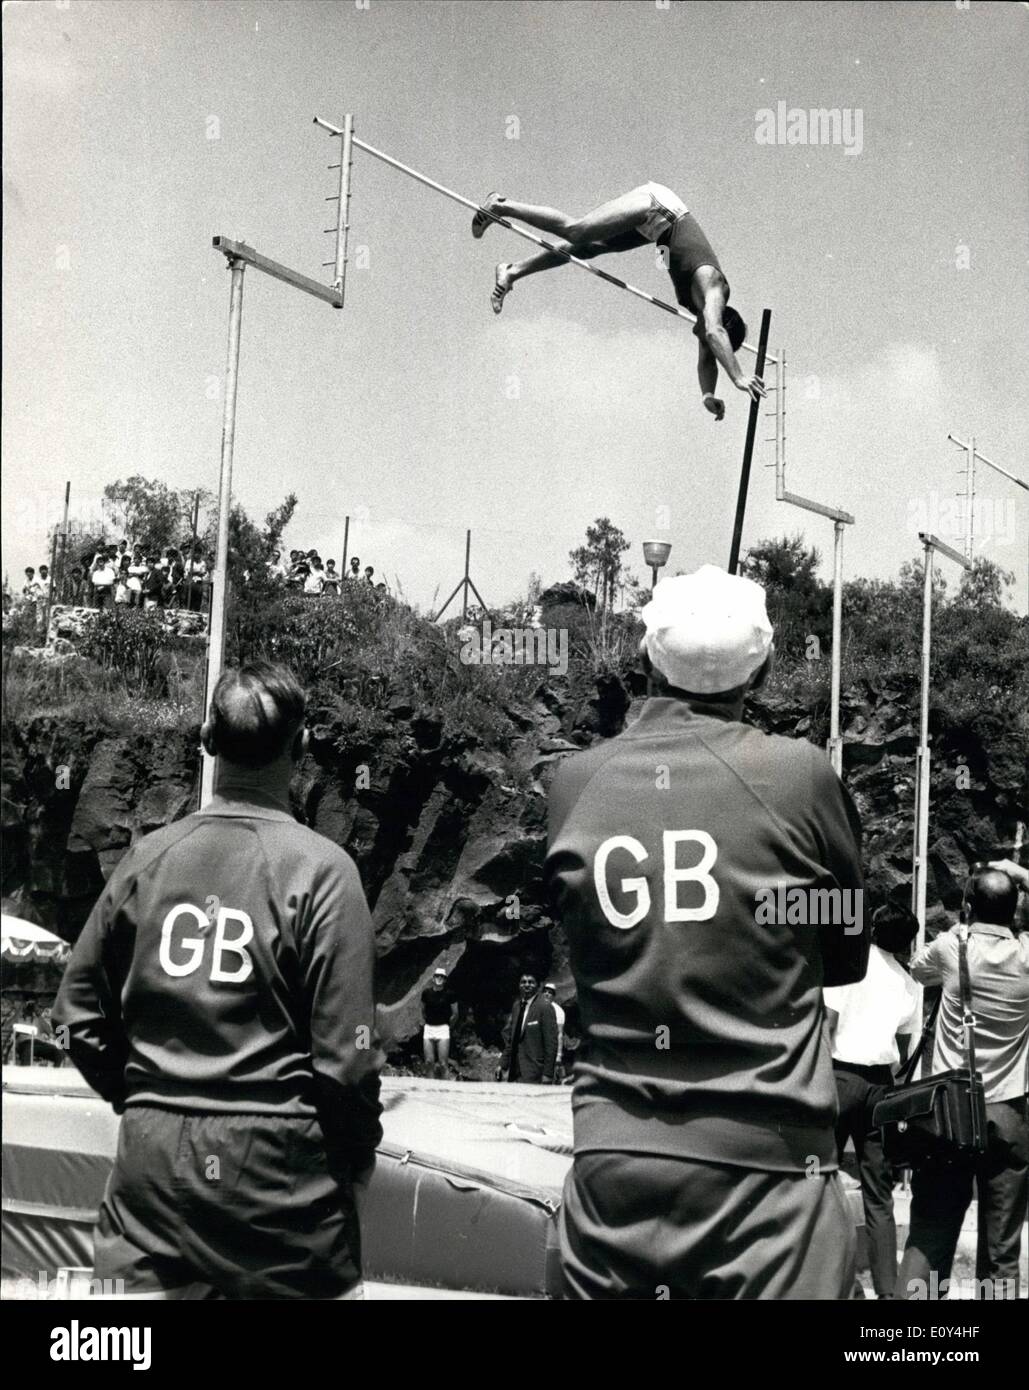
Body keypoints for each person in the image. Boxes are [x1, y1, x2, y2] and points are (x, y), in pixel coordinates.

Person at [545, 564, 869, 1300]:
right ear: (760, 664)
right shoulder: (799, 774)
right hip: (769, 1168)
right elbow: (845, 946)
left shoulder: (574, 781)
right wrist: (766, 910)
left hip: (614, 1149)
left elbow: (581, 932)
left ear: (647, 655)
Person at [53, 660, 383, 1299]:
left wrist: (146, 1099)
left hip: (152, 1172)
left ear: (207, 737)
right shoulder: (324, 872)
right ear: (303, 745)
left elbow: (73, 1021)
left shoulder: (147, 859)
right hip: (279, 1171)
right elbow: (347, 1061)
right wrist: (354, 1158)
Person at [471, 185, 764, 416]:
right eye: (708, 338)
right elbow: (714, 333)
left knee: (586, 249)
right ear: (721, 321)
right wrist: (738, 378)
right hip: (662, 209)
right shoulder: (713, 289)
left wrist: (708, 396)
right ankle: (500, 205)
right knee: (578, 230)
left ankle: (512, 272)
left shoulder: (704, 315)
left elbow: (707, 361)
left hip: (659, 234)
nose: (699, 338)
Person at [896, 863, 1029, 1300]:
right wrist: (1022, 875)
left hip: (950, 1113)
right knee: (1003, 1245)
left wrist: (962, 926)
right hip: (1009, 1112)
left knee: (932, 1227)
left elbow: (916, 969)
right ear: (1016, 910)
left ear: (969, 907)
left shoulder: (953, 946)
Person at [823, 901, 921, 1299]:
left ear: (873, 929)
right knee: (879, 1194)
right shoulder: (908, 983)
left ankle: (830, 1277)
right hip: (881, 1087)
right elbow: (904, 1043)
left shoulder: (850, 967)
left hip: (840, 1074)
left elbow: (826, 1026)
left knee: (820, 1179)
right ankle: (887, 1290)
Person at [497, 971, 559, 1084]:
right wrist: (502, 1064)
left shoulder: (545, 1007)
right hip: (514, 1071)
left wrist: (548, 1074)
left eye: (531, 982)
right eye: (523, 982)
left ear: (538, 985)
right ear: (519, 985)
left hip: (535, 1071)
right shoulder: (516, 1006)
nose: (527, 985)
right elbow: (512, 1040)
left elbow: (551, 1044)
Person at [421, 967, 456, 1079]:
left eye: (442, 977)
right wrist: (425, 1022)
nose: (439, 978)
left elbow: (455, 1013)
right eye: (437, 976)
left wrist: (448, 1026)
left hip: (443, 1029)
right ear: (433, 978)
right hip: (429, 1028)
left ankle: (445, 1089)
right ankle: (429, 1088)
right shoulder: (426, 993)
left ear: (445, 979)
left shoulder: (450, 994)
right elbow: (422, 1010)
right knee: (429, 1062)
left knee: (443, 1063)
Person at [541, 982, 567, 1082]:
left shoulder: (559, 1011)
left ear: (554, 995)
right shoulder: (534, 1007)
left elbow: (559, 1034)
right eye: (545, 992)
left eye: (550, 992)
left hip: (549, 1050)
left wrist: (559, 1055)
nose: (547, 994)